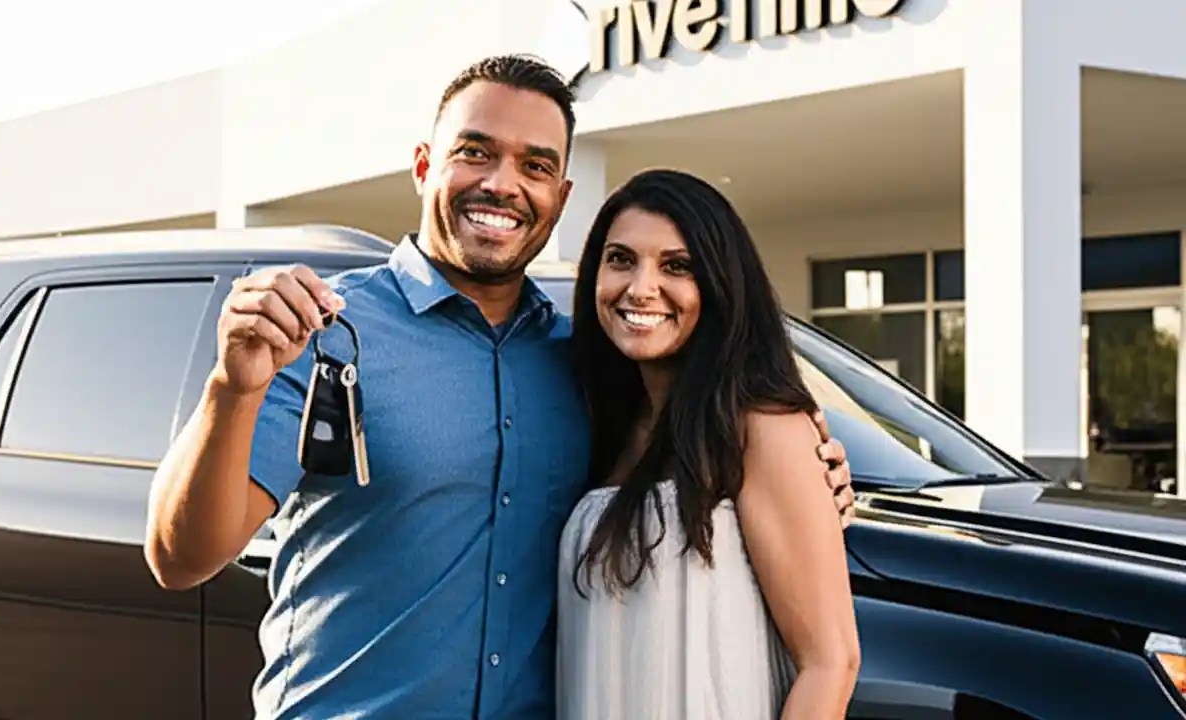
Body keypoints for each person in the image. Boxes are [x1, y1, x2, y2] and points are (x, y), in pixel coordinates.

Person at [143, 54, 855, 720]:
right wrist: (230, 391)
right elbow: (181, 558)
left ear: (560, 195)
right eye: (475, 152)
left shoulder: (583, 364)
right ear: (425, 166)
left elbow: (700, 442)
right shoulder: (320, 331)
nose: (503, 184)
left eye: (535, 164)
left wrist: (803, 464)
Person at [556, 168, 860, 719]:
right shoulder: (596, 423)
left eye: (677, 266)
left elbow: (831, 662)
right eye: (621, 259)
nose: (641, 287)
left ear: (720, 284)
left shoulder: (762, 426)